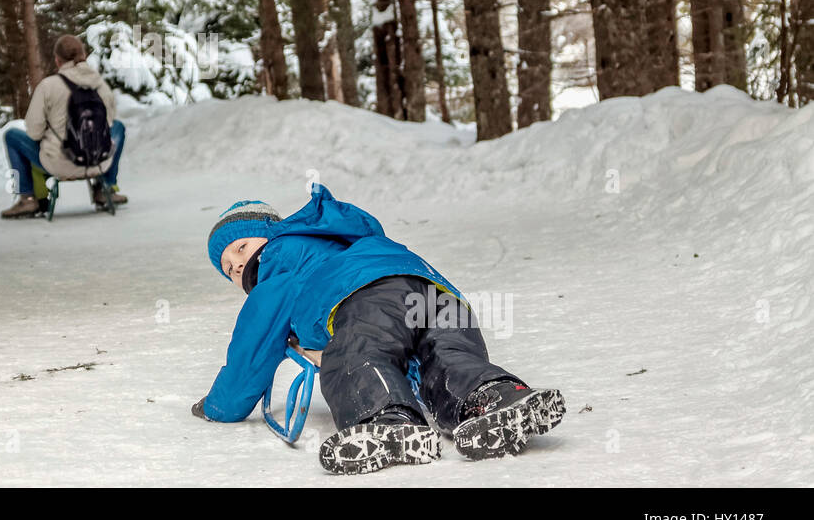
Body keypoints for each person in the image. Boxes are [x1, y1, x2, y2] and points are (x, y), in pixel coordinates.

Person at [191, 184, 565, 474]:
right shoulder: (334, 242)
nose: (238, 266)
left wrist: (219, 406)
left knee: (356, 355)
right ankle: (497, 396)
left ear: (272, 233)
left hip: (367, 296)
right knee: (447, 355)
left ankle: (387, 419)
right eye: (227, 268)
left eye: (239, 249)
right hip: (435, 289)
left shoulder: (278, 263)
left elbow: (249, 355)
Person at [0, 34, 128, 219]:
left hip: (59, 163)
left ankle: (27, 198)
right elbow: (108, 124)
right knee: (119, 128)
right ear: (83, 55)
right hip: (98, 162)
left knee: (11, 136)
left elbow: (34, 133)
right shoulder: (99, 84)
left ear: (58, 60)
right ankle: (105, 187)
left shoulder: (48, 86)